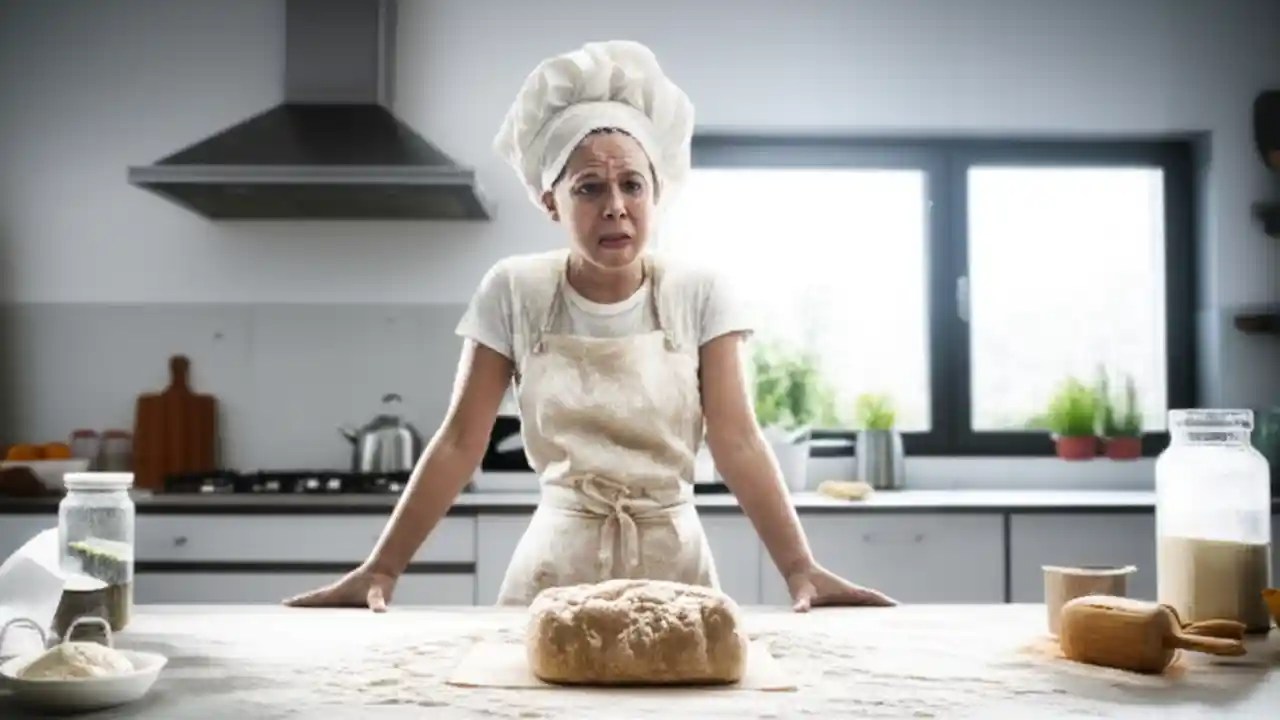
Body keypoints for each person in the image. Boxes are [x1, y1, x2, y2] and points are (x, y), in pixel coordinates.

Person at [283, 40, 895, 613]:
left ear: (657, 194)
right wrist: (383, 568)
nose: (615, 206)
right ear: (550, 200)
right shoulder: (514, 290)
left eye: (633, 184)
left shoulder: (699, 292)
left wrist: (800, 567)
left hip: (674, 569)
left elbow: (738, 443)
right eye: (589, 188)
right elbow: (459, 442)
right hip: (554, 573)